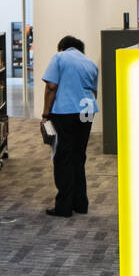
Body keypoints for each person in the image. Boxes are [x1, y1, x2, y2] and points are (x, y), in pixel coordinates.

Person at [41, 35, 99, 218]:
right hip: (87, 111)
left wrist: (45, 115)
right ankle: (81, 203)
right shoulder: (90, 63)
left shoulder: (60, 57)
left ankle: (64, 207)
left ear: (62, 47)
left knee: (64, 157)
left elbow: (51, 86)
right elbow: (94, 92)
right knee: (78, 155)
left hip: (65, 111)